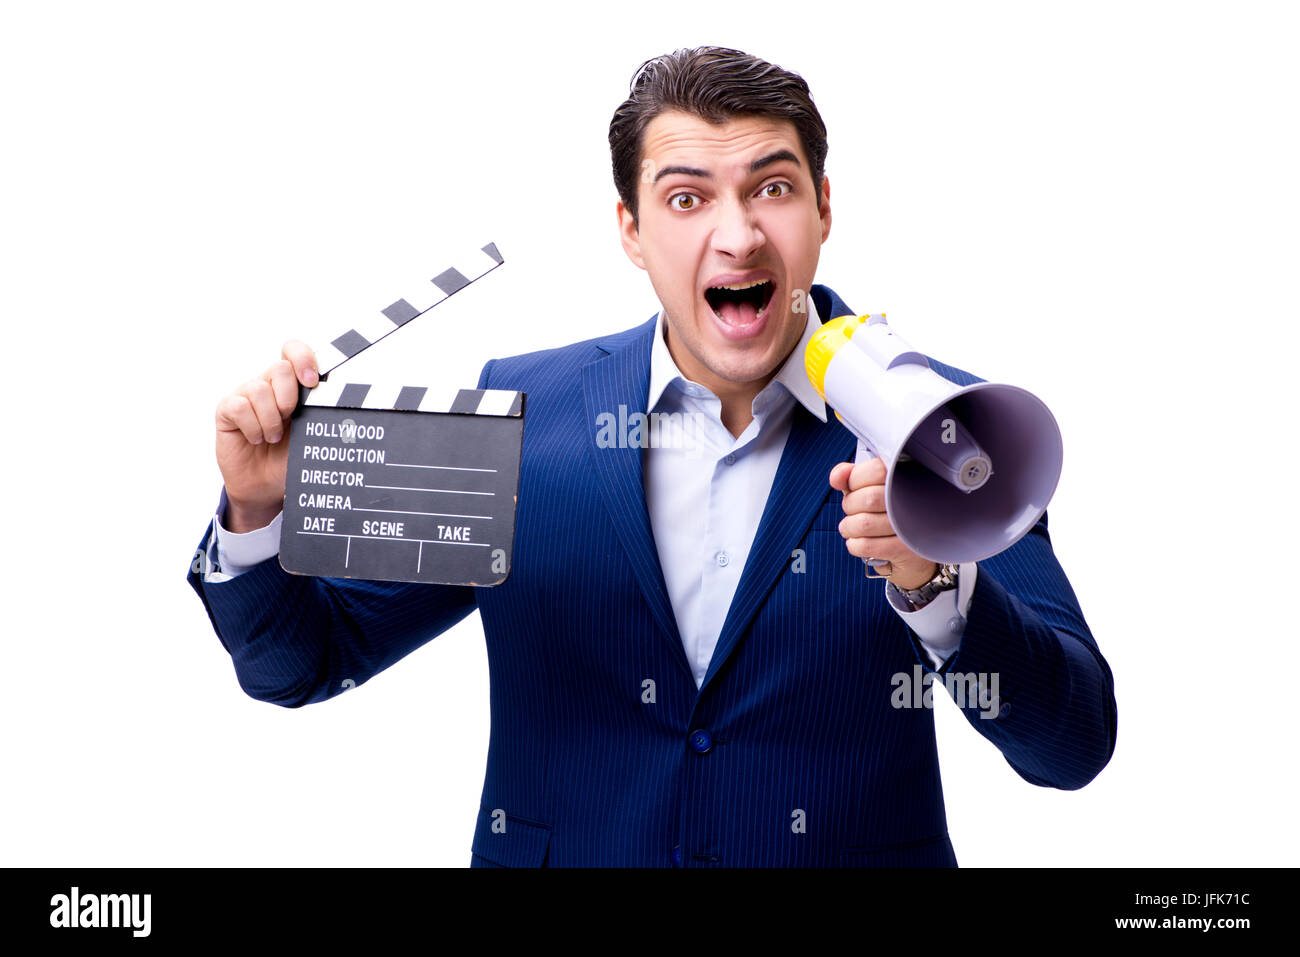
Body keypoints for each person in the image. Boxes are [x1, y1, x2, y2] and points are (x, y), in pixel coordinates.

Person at [187, 46, 1116, 867]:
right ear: (631, 229)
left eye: (774, 188)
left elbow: (1071, 744)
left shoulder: (946, 431)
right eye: (686, 197)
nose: (739, 233)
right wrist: (259, 512)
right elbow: (305, 663)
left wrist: (935, 587)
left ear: (823, 208)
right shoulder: (529, 417)